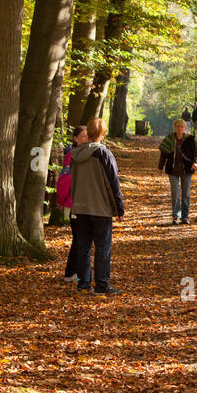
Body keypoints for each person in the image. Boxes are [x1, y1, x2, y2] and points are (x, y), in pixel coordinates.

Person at [69, 117, 125, 295]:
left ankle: (83, 285)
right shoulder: (103, 153)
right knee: (102, 248)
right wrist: (119, 208)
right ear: (102, 134)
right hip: (100, 207)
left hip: (80, 206)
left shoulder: (75, 155)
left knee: (83, 247)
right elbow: (113, 182)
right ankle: (101, 285)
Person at [59, 125, 88, 282]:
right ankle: (71, 273)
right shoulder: (72, 155)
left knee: (80, 238)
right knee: (79, 238)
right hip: (73, 203)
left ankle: (73, 272)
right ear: (75, 138)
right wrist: (61, 200)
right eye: (83, 136)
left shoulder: (86, 154)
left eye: (87, 136)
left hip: (83, 203)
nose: (86, 139)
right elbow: (65, 179)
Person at [159, 118, 197, 224]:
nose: (179, 128)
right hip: (172, 170)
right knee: (175, 194)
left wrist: (195, 162)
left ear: (185, 128)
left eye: (182, 126)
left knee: (186, 194)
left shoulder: (190, 139)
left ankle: (185, 217)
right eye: (177, 126)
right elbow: (163, 154)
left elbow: (196, 153)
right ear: (174, 127)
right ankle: (176, 216)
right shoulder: (169, 139)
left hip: (187, 170)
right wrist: (160, 167)